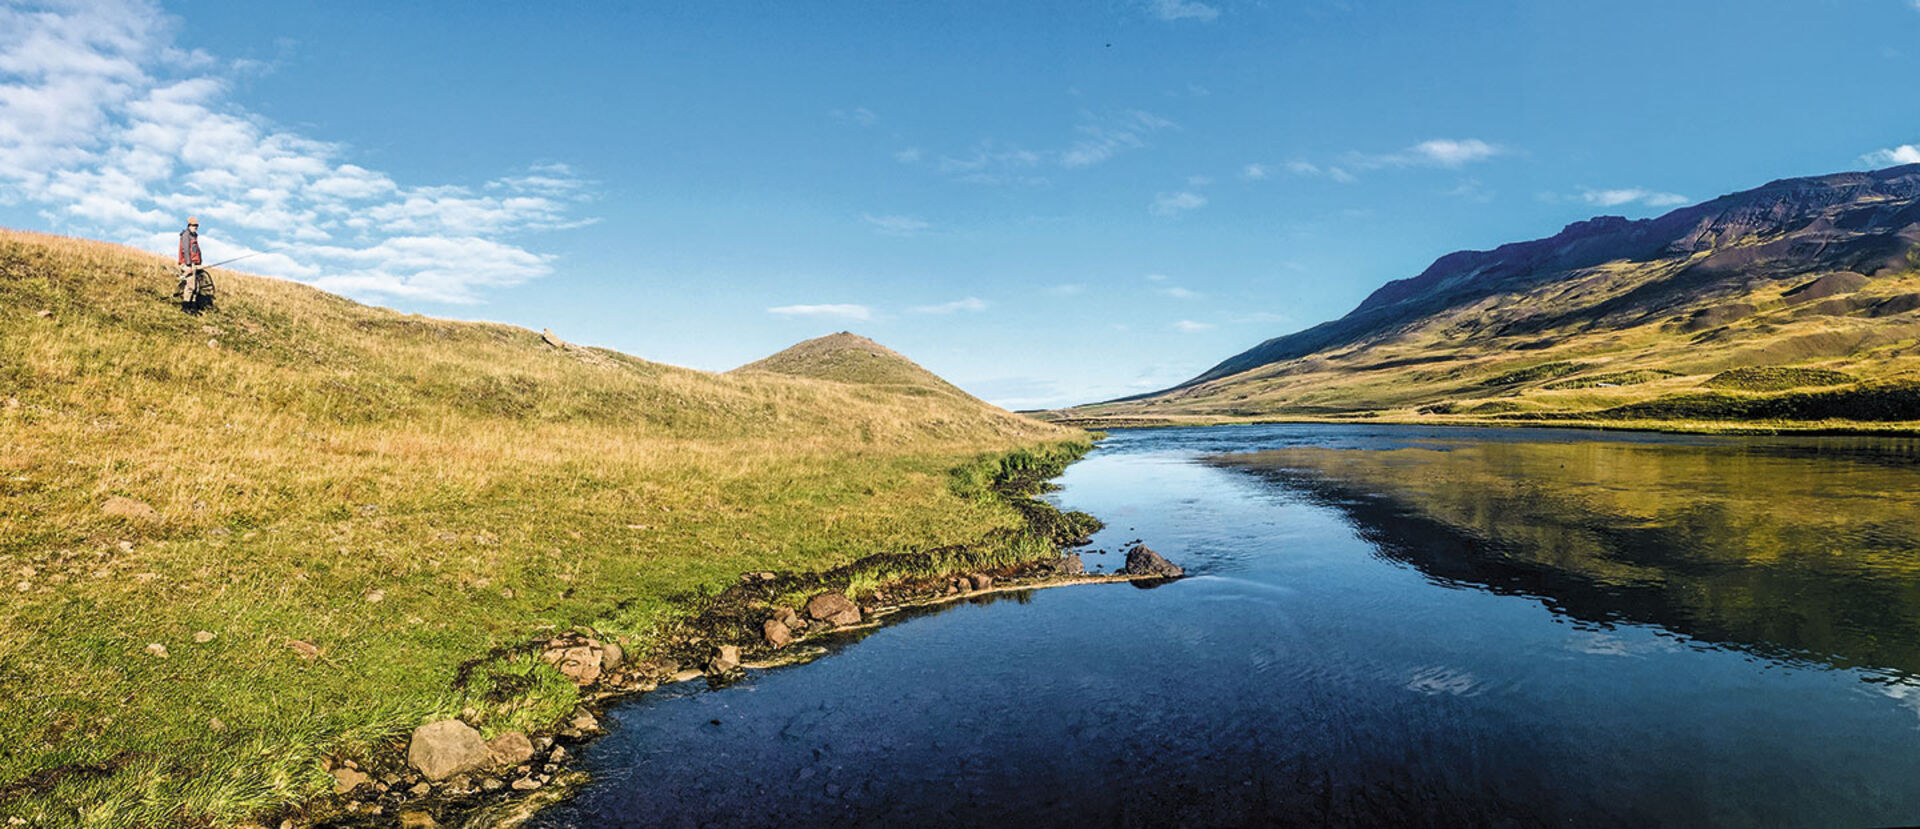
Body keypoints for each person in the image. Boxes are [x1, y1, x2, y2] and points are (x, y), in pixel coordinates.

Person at [176, 216, 209, 309]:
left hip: (196, 264)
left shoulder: (194, 236)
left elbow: (197, 251)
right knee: (190, 286)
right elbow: (185, 250)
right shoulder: (186, 235)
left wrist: (199, 263)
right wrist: (188, 265)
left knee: (196, 287)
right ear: (189, 225)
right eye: (194, 225)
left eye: (196, 225)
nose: (195, 227)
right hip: (188, 264)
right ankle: (185, 306)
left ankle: (193, 307)